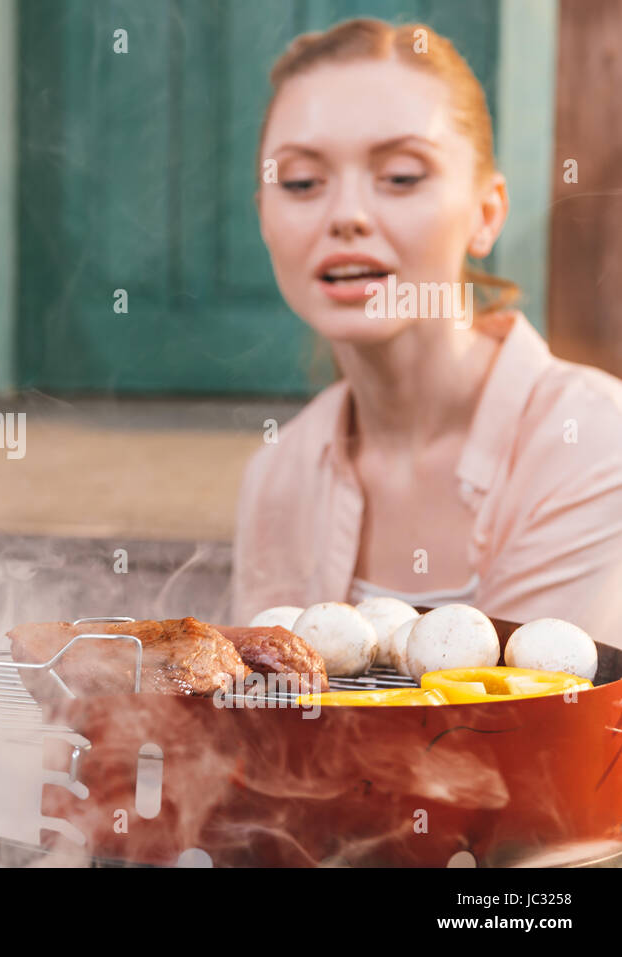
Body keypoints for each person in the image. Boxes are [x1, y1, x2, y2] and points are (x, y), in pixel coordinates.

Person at [231, 18, 622, 648]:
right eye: (302, 183)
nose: (347, 216)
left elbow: (513, 726)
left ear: (486, 213)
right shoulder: (280, 473)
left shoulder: (595, 444)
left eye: (402, 176)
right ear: (264, 220)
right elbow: (260, 721)